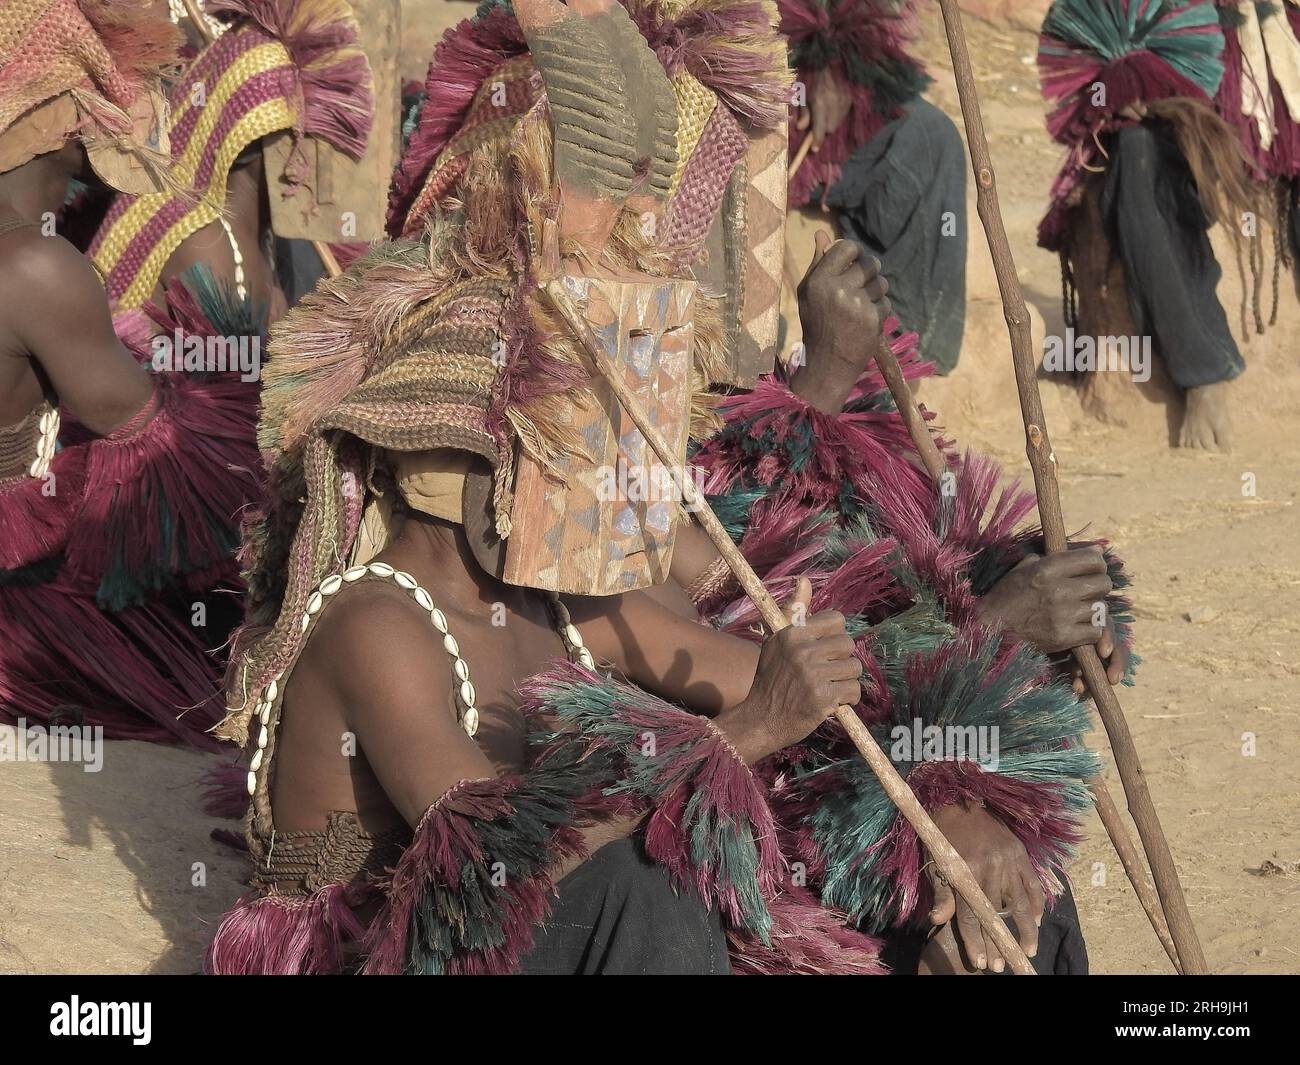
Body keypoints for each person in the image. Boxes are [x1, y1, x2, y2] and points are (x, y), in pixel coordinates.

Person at [209, 0, 1125, 975]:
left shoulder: (562, 597)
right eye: (564, 452)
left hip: (589, 914)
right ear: (452, 463)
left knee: (971, 880)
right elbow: (496, 869)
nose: (601, 478)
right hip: (423, 944)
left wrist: (983, 658)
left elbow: (821, 687)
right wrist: (753, 728)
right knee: (653, 886)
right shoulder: (376, 626)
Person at [0, 0, 260, 746]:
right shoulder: (39, 265)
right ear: (68, 121)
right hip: (21, 618)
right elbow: (167, 462)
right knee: (234, 655)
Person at [1037, 0, 1259, 451]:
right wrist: (1117, 98)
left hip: (1201, 110)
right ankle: (1201, 373)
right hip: (1131, 138)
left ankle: (1205, 375)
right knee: (1138, 162)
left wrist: (1167, 95)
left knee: (1153, 167)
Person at [89, 0, 378, 322]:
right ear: (249, 138)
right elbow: (225, 369)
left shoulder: (271, 230)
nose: (323, 163)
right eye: (307, 141)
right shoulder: (205, 249)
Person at [779, 0, 968, 375]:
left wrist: (837, 59)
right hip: (743, 77)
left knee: (930, 139)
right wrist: (817, 69)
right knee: (926, 140)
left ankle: (895, 353)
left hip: (808, 68)